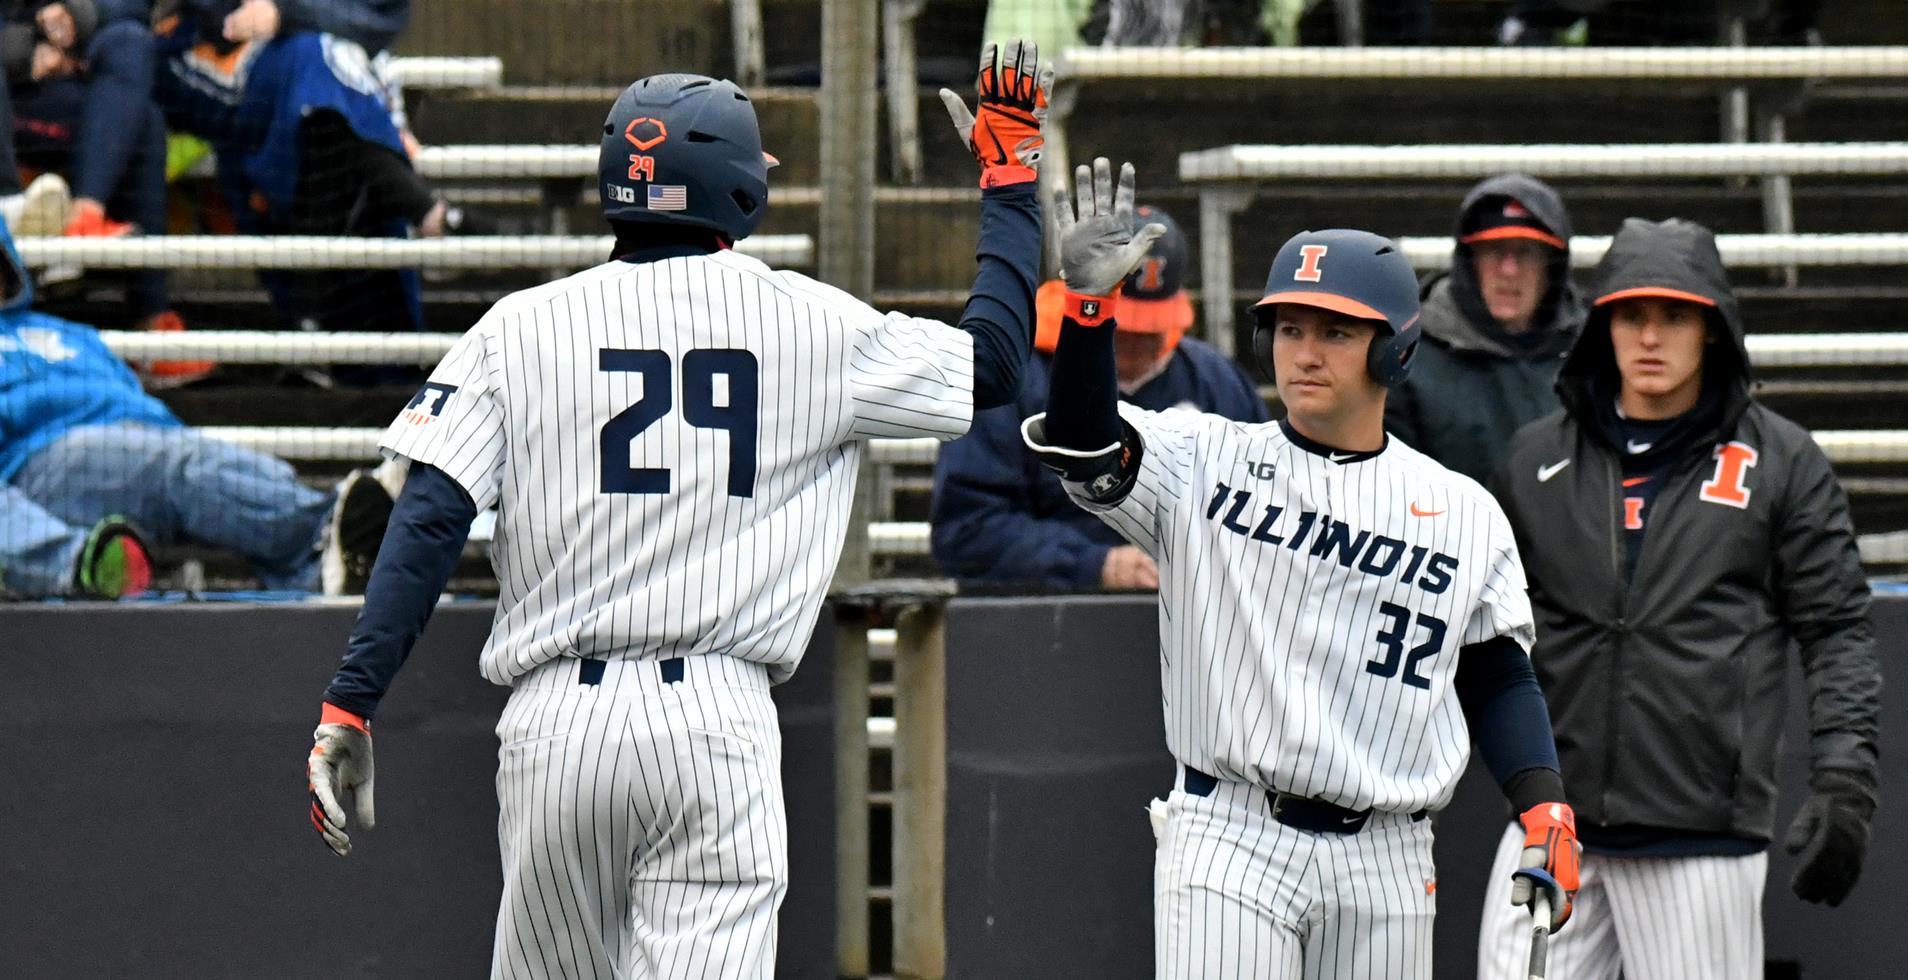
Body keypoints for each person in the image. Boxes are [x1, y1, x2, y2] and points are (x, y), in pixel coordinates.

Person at [302, 42, 1050, 978]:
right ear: (737, 186)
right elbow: (995, 366)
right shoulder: (809, 323)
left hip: (555, 726)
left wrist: (351, 703)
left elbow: (425, 521)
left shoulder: (519, 326)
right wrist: (1011, 181)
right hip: (711, 721)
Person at [1024, 175, 1581, 979]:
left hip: (1389, 852)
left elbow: (1497, 674)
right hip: (1230, 833)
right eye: (1287, 328)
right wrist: (1085, 315)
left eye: (1335, 330)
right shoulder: (1201, 456)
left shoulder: (1463, 509)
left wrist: (1543, 803)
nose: (1305, 352)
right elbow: (1084, 437)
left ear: (1394, 348)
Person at [1479, 218, 1880, 979]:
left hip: (1699, 834)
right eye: (1631, 315)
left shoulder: (1783, 461)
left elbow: (1837, 629)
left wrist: (1845, 778)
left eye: (1675, 315)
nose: (1651, 336)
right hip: (1550, 821)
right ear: (1603, 327)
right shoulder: (1535, 456)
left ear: (1714, 329)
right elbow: (1490, 635)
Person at [0, 213, 398, 598]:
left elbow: (132, 395)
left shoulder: (72, 334)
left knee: (206, 464)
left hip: (141, 445)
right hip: (37, 463)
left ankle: (327, 570)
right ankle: (329, 528)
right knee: (180, 466)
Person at [931, 204, 1264, 591]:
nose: (1139, 342)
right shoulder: (1012, 380)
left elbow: (1261, 516)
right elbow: (966, 531)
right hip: (1039, 626)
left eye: (1151, 329)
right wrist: (1094, 565)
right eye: (1123, 328)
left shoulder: (1216, 381)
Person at [154, 3, 479, 338]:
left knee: (319, 79)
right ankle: (430, 214)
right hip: (211, 49)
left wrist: (286, 13)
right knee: (320, 71)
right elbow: (217, 18)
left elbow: (381, 17)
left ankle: (309, 321)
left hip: (313, 65)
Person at [1, 1, 206, 383]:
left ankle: (84, 216)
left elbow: (133, 9)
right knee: (143, 119)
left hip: (67, 87)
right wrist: (25, 48)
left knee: (130, 47)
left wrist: (78, 17)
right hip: (10, 92)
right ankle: (150, 316)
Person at [1387, 174, 1583, 485]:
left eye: (1527, 253)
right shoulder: (1409, 359)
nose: (1509, 270)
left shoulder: (1594, 353)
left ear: (1553, 266)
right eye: (1494, 250)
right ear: (1470, 261)